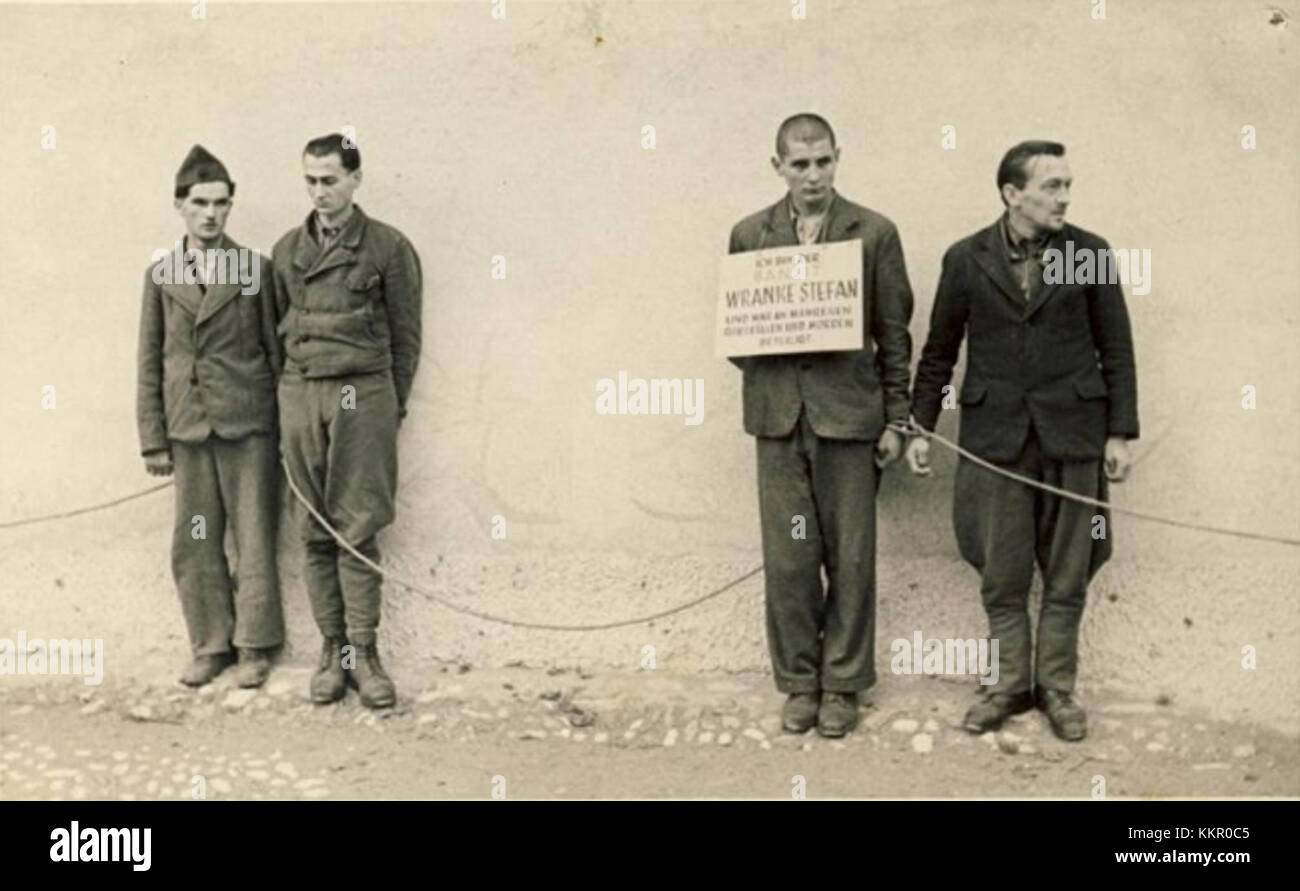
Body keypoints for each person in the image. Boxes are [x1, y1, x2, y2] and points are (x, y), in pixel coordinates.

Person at [907, 140, 1139, 741]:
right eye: (1052, 186)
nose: (1065, 196)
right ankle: (1008, 684)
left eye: (1068, 184)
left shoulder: (1087, 254)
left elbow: (1115, 348)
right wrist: (920, 427)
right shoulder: (967, 258)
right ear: (1013, 194)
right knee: (1002, 572)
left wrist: (1120, 432)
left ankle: (1057, 690)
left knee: (1069, 568)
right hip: (997, 438)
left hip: (1074, 434)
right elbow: (938, 352)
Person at [727, 114, 914, 737]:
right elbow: (737, 330)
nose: (812, 175)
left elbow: (894, 334)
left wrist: (897, 419)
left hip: (849, 419)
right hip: (779, 418)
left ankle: (844, 684)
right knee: (790, 558)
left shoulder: (875, 233)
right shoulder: (750, 235)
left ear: (838, 159)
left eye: (823, 162)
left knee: (852, 556)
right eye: (799, 164)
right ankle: (800, 682)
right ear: (776, 166)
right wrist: (773, 332)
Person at [272, 133, 422, 709]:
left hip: (363, 395)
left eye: (329, 180)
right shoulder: (287, 251)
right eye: (310, 180)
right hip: (303, 393)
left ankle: (365, 653)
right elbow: (275, 337)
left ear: (356, 180)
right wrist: (291, 401)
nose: (319, 192)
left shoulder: (387, 247)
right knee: (313, 528)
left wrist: (390, 408)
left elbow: (406, 340)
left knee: (356, 529)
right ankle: (331, 652)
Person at [136, 145, 284, 688]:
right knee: (195, 539)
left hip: (247, 426)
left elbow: (276, 352)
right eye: (199, 203)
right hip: (189, 428)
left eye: (221, 203)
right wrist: (154, 439)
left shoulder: (252, 271)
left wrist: (283, 430)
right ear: (180, 206)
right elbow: (150, 361)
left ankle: (254, 646)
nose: (211, 214)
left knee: (253, 534)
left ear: (230, 207)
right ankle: (209, 643)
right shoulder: (161, 276)